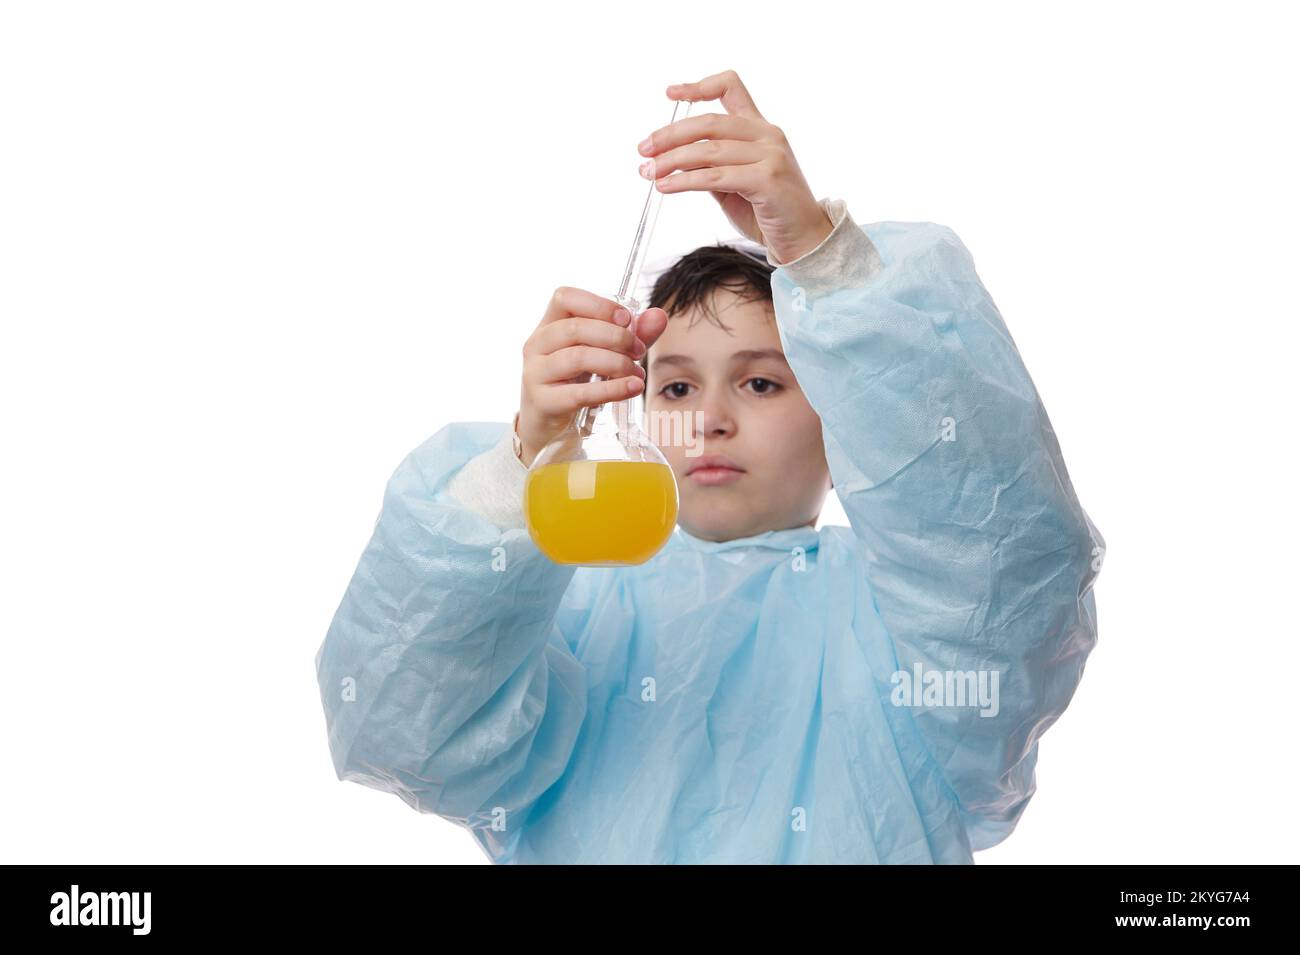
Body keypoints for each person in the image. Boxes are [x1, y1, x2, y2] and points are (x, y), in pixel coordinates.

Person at [313, 71, 1104, 863]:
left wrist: (828, 269)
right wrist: (526, 458)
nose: (711, 418)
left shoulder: (908, 621)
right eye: (678, 385)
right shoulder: (567, 613)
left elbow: (1009, 564)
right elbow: (403, 727)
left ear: (845, 413)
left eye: (761, 382)